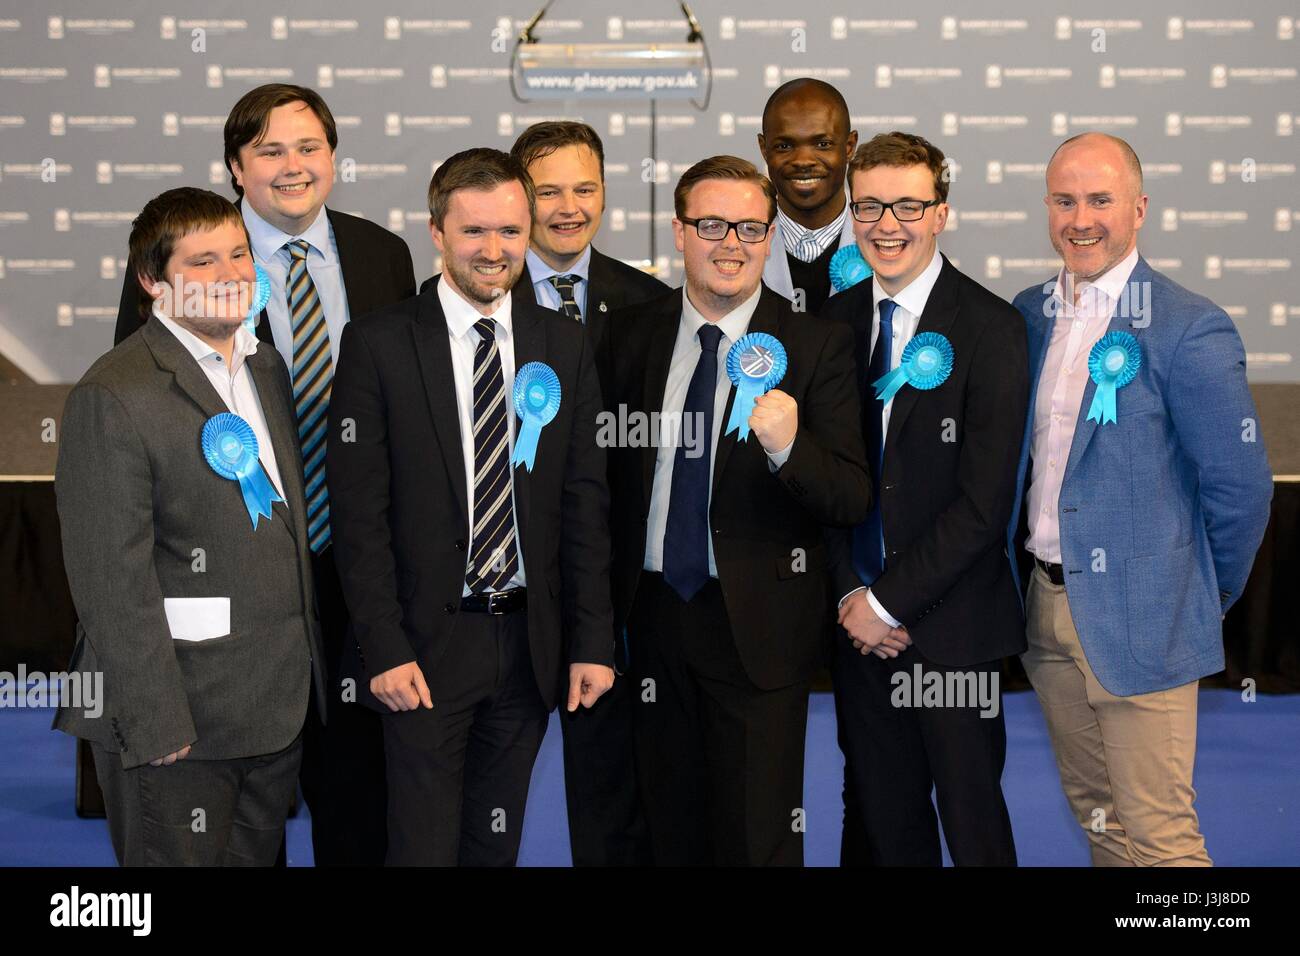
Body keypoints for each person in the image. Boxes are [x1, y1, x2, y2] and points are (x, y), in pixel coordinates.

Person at [113, 84, 414, 866]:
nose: (293, 166)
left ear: (335, 157)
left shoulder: (384, 254)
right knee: (238, 822)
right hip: (232, 591)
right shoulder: (184, 260)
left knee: (359, 799)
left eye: (309, 147)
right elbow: (139, 411)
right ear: (236, 167)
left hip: (359, 577)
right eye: (270, 150)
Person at [327, 148, 615, 866]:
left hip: (527, 649)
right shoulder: (378, 342)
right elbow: (359, 517)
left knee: (495, 846)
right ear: (437, 232)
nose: (494, 251)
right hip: (423, 651)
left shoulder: (565, 345)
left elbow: (583, 507)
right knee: (422, 849)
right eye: (474, 232)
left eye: (511, 232)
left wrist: (591, 641)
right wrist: (383, 648)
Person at [1009, 132, 1272, 866]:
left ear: (1139, 208)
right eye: (1064, 200)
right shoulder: (1028, 315)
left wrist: (1189, 593)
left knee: (1161, 839)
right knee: (1101, 827)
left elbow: (1240, 489)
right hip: (1046, 614)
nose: (1080, 218)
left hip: (1146, 622)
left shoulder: (1190, 327)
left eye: (1100, 199)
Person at [603, 156, 870, 865]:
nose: (733, 243)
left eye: (752, 227)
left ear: (772, 233)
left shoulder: (817, 347)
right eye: (713, 224)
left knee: (758, 839)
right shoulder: (627, 338)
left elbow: (848, 495)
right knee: (664, 831)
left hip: (758, 630)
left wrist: (790, 450)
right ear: (679, 230)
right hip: (650, 620)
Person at [54, 187, 325, 865]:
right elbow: (111, 579)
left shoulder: (265, 367)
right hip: (178, 726)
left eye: (239, 254)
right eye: (203, 261)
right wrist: (153, 718)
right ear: (152, 280)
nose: (232, 275)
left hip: (272, 712)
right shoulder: (113, 394)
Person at [824, 132, 1028, 866]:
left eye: (908, 205)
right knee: (886, 823)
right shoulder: (830, 327)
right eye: (870, 205)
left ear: (941, 213)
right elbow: (821, 486)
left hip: (954, 633)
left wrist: (887, 604)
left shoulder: (993, 328)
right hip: (857, 635)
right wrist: (853, 595)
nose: (888, 224)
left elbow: (984, 505)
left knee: (974, 824)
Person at [510, 120, 665, 866]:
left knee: (612, 792)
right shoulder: (470, 297)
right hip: (499, 593)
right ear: (519, 197)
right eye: (548, 191)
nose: (568, 207)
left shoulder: (648, 303)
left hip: (611, 593)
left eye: (585, 188)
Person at [757, 79, 859, 312]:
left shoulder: (883, 242)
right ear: (764, 149)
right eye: (784, 146)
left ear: (849, 146)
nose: (803, 161)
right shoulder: (734, 245)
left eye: (822, 144)